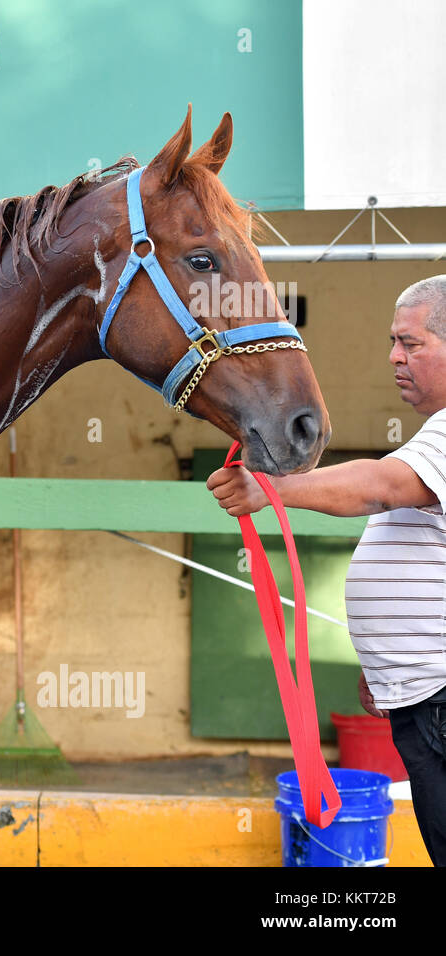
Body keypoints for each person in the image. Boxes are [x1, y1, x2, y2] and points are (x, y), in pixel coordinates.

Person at [208, 275, 446, 865]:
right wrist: (388, 666)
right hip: (424, 698)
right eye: (393, 342)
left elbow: (381, 487)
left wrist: (272, 489)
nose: (394, 356)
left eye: (411, 344)